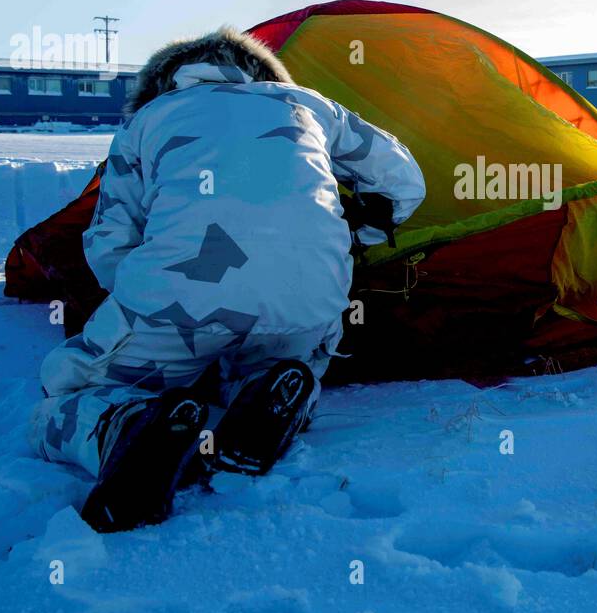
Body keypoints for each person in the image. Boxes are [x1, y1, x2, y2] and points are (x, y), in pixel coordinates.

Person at [28, 27, 426, 531]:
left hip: (179, 299)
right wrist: (357, 233)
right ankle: (272, 396)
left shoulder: (148, 120)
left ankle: (120, 425)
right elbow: (404, 182)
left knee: (63, 392)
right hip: (309, 302)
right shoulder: (308, 104)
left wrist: (140, 295)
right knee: (273, 366)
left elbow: (107, 238)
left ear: (164, 80)